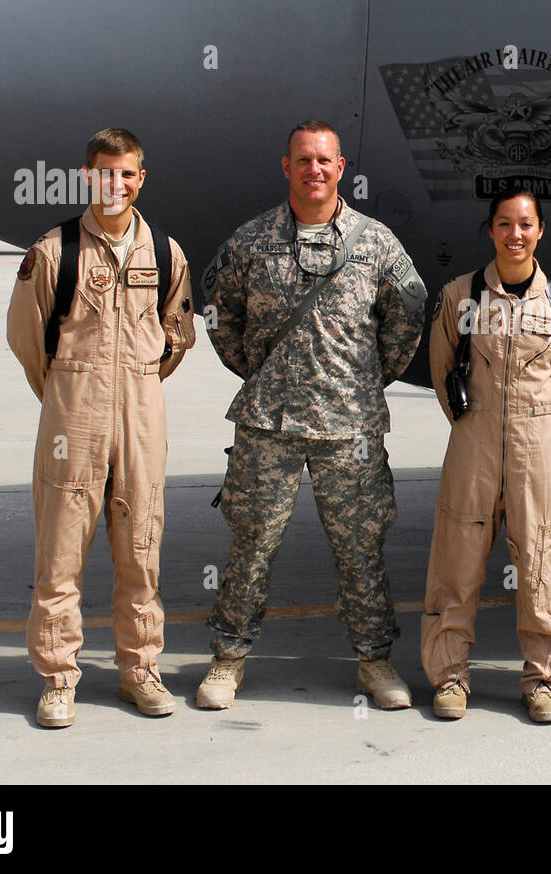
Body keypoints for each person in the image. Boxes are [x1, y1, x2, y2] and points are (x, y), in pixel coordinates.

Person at [196, 119, 426, 711]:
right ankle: (227, 659)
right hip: (268, 423)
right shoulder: (250, 243)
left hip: (349, 429)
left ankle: (374, 663)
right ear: (287, 166)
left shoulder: (375, 243)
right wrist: (260, 373)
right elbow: (220, 316)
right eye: (303, 159)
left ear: (341, 167)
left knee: (361, 548)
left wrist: (365, 384)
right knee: (251, 544)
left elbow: (406, 320)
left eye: (324, 160)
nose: (314, 169)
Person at [7, 127, 197, 728]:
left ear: (141, 178)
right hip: (74, 417)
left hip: (140, 416)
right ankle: (58, 678)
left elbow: (177, 337)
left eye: (128, 173)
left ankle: (140, 669)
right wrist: (68, 391)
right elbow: (26, 337)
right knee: (61, 552)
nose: (116, 184)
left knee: (141, 549)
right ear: (87, 177)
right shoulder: (54, 251)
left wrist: (134, 386)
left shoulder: (166, 253)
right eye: (104, 173)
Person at [422, 190, 551, 723]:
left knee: (541, 559)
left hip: (538, 441)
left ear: (540, 230)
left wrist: (528, 425)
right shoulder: (460, 295)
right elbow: (443, 371)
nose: (514, 235)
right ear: (490, 230)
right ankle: (449, 676)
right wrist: (477, 426)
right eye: (503, 224)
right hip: (474, 439)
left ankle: (543, 679)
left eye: (525, 224)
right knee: (457, 557)